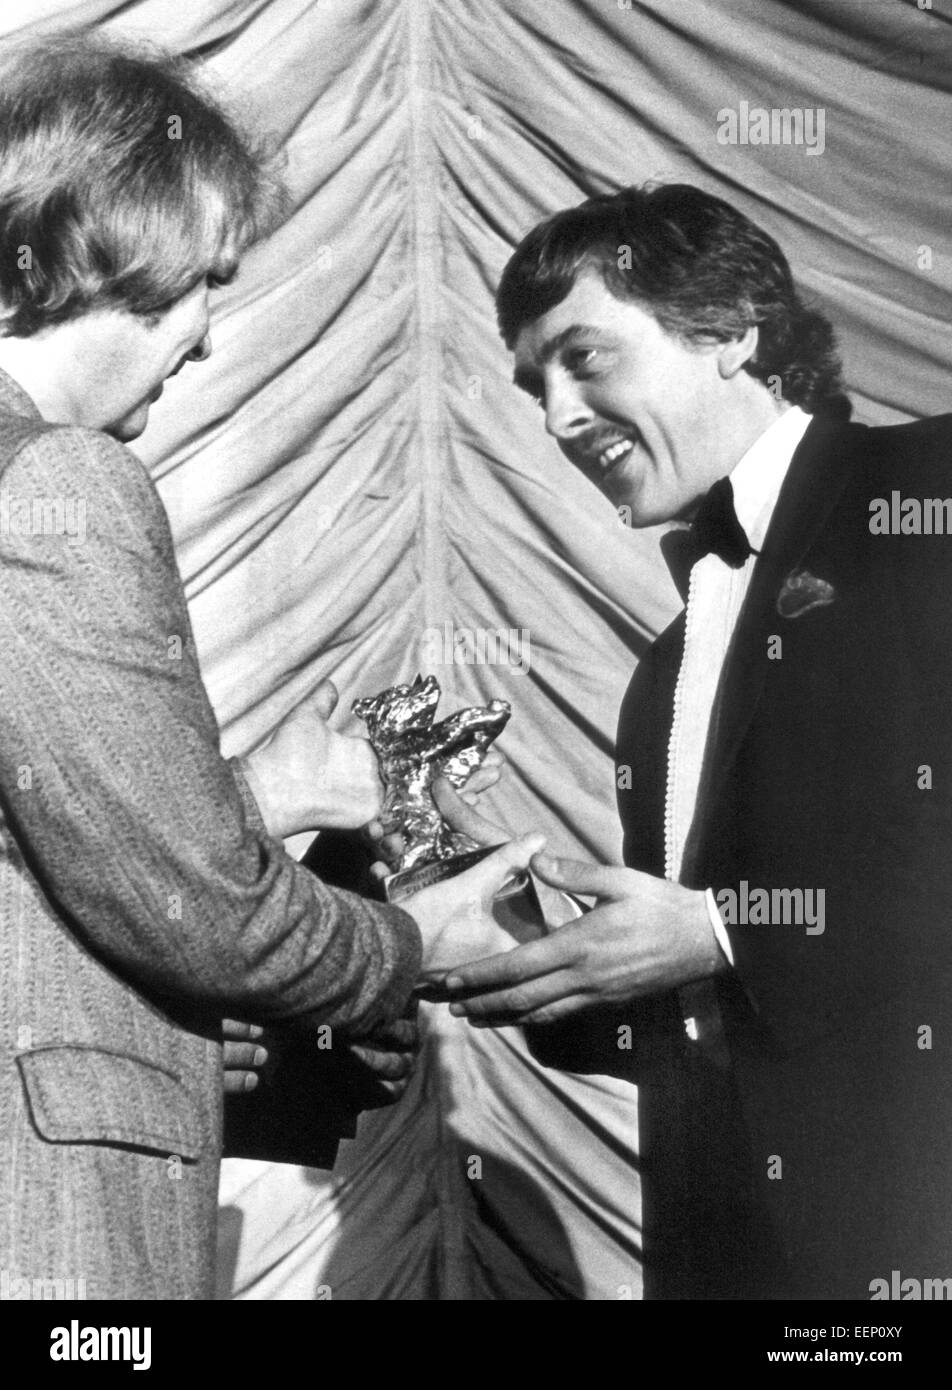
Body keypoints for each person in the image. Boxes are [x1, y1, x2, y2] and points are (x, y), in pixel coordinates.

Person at [0, 33, 538, 1300]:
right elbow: (197, 909)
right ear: (103, 251)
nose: (202, 342)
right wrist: (414, 940)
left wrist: (257, 795)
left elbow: (42, 852)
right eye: (200, 284)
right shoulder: (60, 483)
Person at [442, 183, 952, 1299]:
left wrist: (724, 932)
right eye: (537, 386)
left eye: (585, 359)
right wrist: (545, 961)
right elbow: (685, 1022)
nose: (559, 418)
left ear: (728, 332)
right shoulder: (664, 669)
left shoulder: (928, 495)